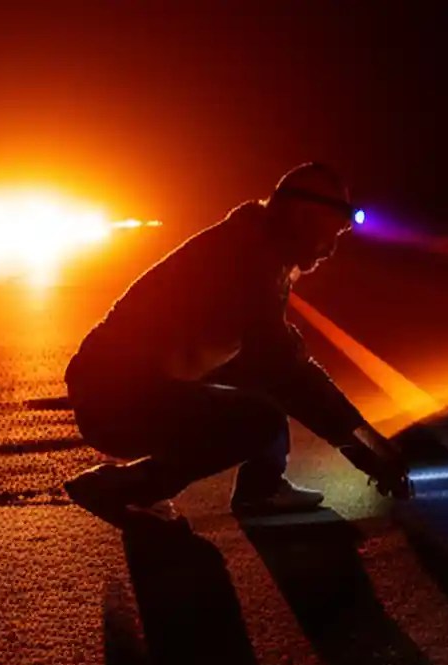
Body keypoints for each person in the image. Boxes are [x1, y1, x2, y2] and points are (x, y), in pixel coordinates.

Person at [62, 162, 411, 528]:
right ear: (302, 218)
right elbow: (287, 371)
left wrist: (365, 446)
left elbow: (268, 361)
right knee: (260, 416)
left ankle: (261, 490)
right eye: (329, 233)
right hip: (113, 403)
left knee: (262, 390)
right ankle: (126, 485)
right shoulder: (247, 260)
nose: (330, 250)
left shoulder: (256, 246)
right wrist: (370, 452)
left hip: (119, 390)